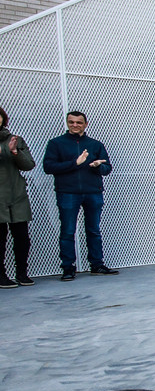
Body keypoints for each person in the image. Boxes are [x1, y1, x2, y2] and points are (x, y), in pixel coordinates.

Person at [42, 110, 116, 281]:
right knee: (68, 231)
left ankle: (97, 264)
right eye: (71, 122)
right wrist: (74, 163)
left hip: (93, 192)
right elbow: (49, 167)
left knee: (94, 230)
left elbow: (107, 168)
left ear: (86, 124)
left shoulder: (96, 144)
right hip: (68, 192)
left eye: (79, 122)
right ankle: (68, 267)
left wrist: (98, 165)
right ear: (67, 123)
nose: (75, 125)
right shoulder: (56, 144)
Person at [0, 106, 35, 287]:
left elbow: (29, 165)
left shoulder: (16, 140)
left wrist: (15, 152)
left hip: (16, 196)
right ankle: (1, 275)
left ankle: (22, 273)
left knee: (22, 238)